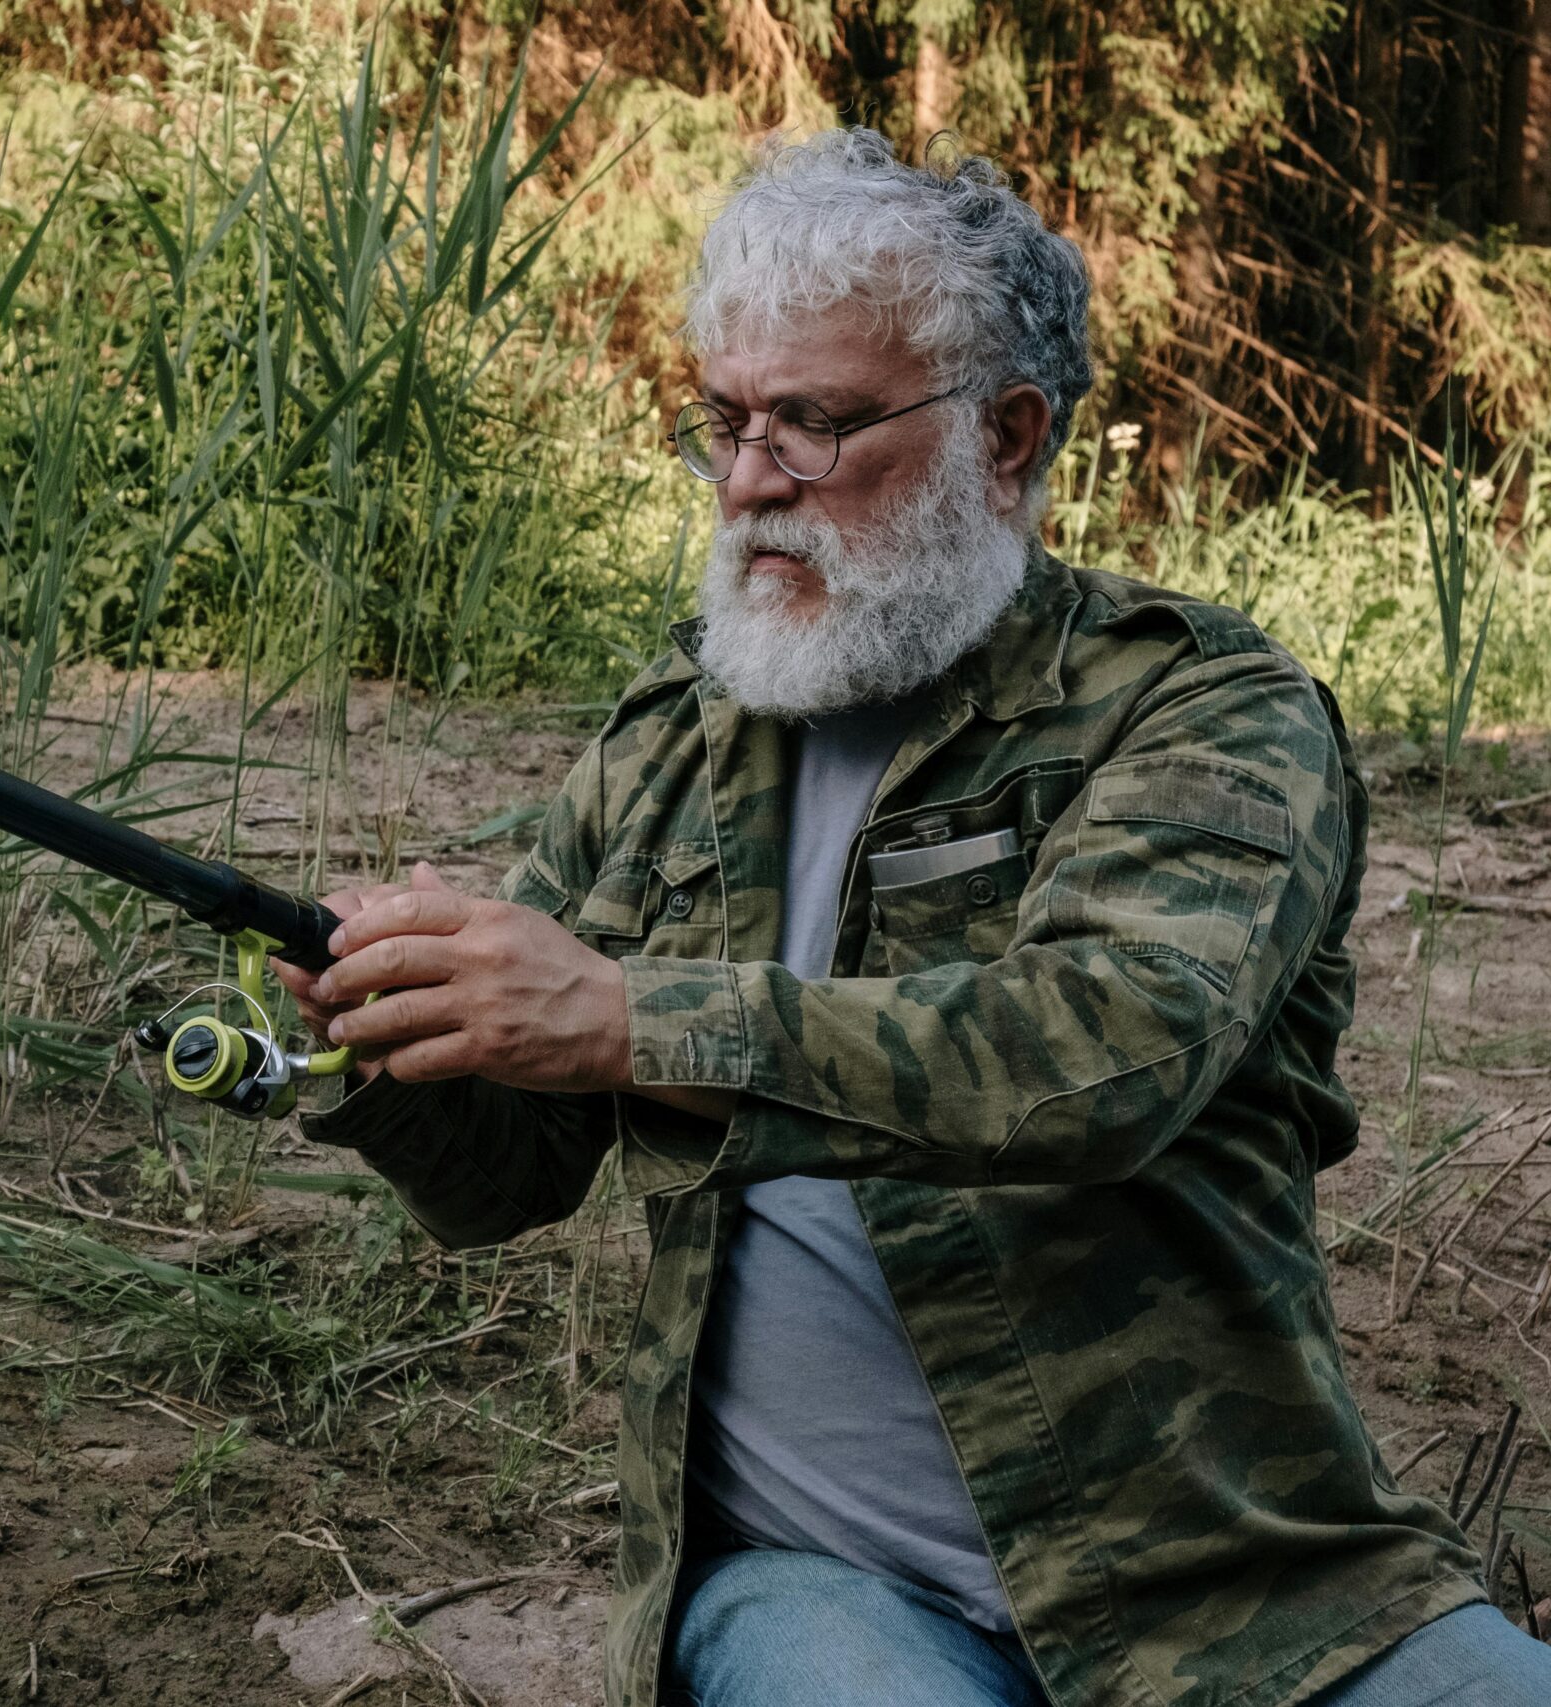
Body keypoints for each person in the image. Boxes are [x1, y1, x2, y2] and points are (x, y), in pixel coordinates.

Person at [270, 128, 1551, 1707]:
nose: (746, 484)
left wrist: (627, 1016)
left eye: (812, 425)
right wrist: (377, 1042)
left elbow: (1107, 1051)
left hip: (1239, 1584)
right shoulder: (671, 739)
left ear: (1005, 436)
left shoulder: (1208, 707)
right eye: (725, 422)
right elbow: (509, 1181)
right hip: (822, 1589)